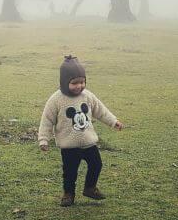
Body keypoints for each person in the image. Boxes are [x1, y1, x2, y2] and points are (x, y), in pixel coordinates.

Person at [37, 54, 123, 206]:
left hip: (88, 142)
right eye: (74, 83)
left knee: (97, 164)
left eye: (82, 82)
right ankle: (68, 194)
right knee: (70, 173)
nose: (79, 86)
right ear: (65, 82)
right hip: (69, 146)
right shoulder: (56, 99)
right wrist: (44, 139)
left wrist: (113, 121)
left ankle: (90, 188)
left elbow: (100, 110)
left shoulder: (87, 96)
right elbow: (47, 120)